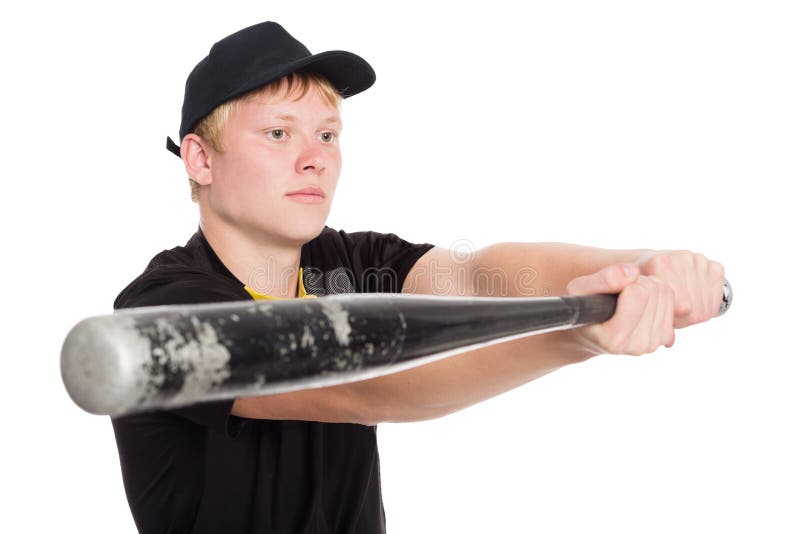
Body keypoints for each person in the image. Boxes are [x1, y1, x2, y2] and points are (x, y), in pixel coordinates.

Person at [111, 21, 725, 534]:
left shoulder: (347, 264)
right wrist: (573, 340)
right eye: (278, 133)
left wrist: (643, 265)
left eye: (327, 135)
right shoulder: (163, 313)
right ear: (200, 159)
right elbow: (359, 390)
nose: (315, 158)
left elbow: (477, 276)